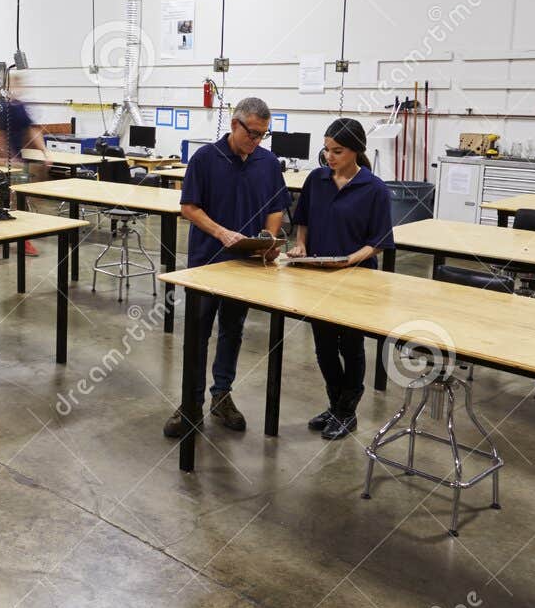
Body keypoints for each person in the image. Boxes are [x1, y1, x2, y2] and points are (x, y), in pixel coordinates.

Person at [164, 97, 289, 439]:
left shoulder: (267, 162)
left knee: (232, 331)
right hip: (206, 264)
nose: (257, 141)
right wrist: (221, 233)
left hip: (245, 266)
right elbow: (189, 207)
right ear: (234, 125)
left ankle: (221, 395)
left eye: (264, 134)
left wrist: (268, 239)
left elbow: (276, 207)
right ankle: (190, 403)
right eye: (252, 133)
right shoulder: (205, 159)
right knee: (198, 333)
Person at [286, 117, 394, 441]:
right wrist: (301, 244)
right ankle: (336, 406)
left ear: (356, 151)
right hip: (318, 277)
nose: (329, 157)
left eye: (338, 151)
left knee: (351, 345)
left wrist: (349, 261)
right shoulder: (316, 181)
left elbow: (378, 241)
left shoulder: (374, 189)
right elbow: (302, 219)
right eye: (327, 149)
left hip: (356, 280)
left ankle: (347, 412)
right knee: (323, 347)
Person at [0, 71, 45, 257]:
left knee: (18, 201)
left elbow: (32, 130)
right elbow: (0, 136)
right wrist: (7, 157)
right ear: (10, 87)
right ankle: (21, 241)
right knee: (14, 202)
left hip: (19, 160)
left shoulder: (20, 107)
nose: (20, 87)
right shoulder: (6, 108)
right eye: (17, 84)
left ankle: (16, 238)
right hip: (11, 162)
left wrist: (45, 151)